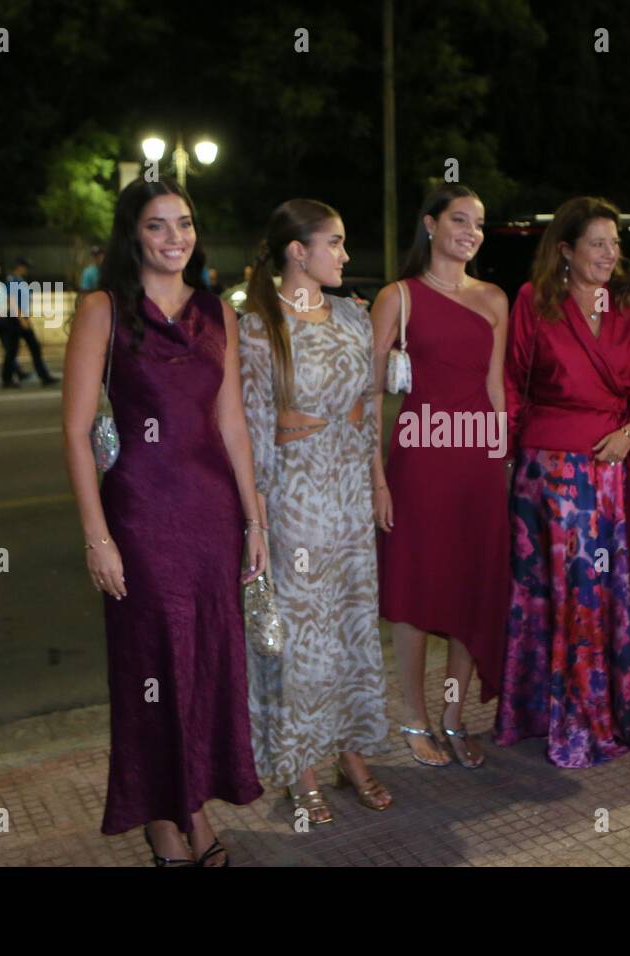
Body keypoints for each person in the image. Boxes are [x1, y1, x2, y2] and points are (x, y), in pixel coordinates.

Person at [61, 177, 266, 866]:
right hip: (143, 515)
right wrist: (98, 536)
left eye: (184, 223)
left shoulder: (216, 311)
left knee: (207, 665)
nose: (176, 237)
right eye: (157, 225)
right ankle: (160, 818)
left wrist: (255, 518)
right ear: (133, 235)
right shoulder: (103, 310)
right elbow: (78, 430)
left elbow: (231, 422)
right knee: (152, 665)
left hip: (212, 514)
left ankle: (195, 807)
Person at [494, 196, 630, 768]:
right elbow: (514, 385)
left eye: (615, 244)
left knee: (602, 596)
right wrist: (512, 463)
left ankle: (603, 713)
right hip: (549, 480)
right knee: (565, 601)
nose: (609, 254)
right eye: (597, 243)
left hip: (615, 474)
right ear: (565, 250)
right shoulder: (533, 302)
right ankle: (560, 721)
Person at [239, 198, 391, 826]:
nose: (346, 255)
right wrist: (259, 516)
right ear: (298, 252)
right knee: (302, 643)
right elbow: (249, 424)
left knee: (354, 627)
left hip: (349, 496)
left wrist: (377, 478)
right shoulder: (256, 324)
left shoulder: (354, 317)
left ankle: (351, 753)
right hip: (294, 499)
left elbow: (370, 405)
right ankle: (300, 766)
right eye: (335, 242)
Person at [372, 184, 510, 768]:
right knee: (416, 592)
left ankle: (453, 716)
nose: (471, 232)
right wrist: (376, 475)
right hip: (421, 457)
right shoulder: (397, 297)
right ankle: (414, 716)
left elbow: (496, 385)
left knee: (471, 591)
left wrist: (502, 459)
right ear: (429, 224)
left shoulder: (495, 298)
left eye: (478, 223)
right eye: (459, 220)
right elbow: (370, 394)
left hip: (478, 461)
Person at [1, 257, 59, 387]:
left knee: (32, 348)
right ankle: (7, 379)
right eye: (25, 267)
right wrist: (21, 319)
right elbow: (11, 300)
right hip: (16, 318)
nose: (27, 270)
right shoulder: (12, 279)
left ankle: (44, 376)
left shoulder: (21, 280)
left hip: (22, 318)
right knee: (14, 350)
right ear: (19, 266)